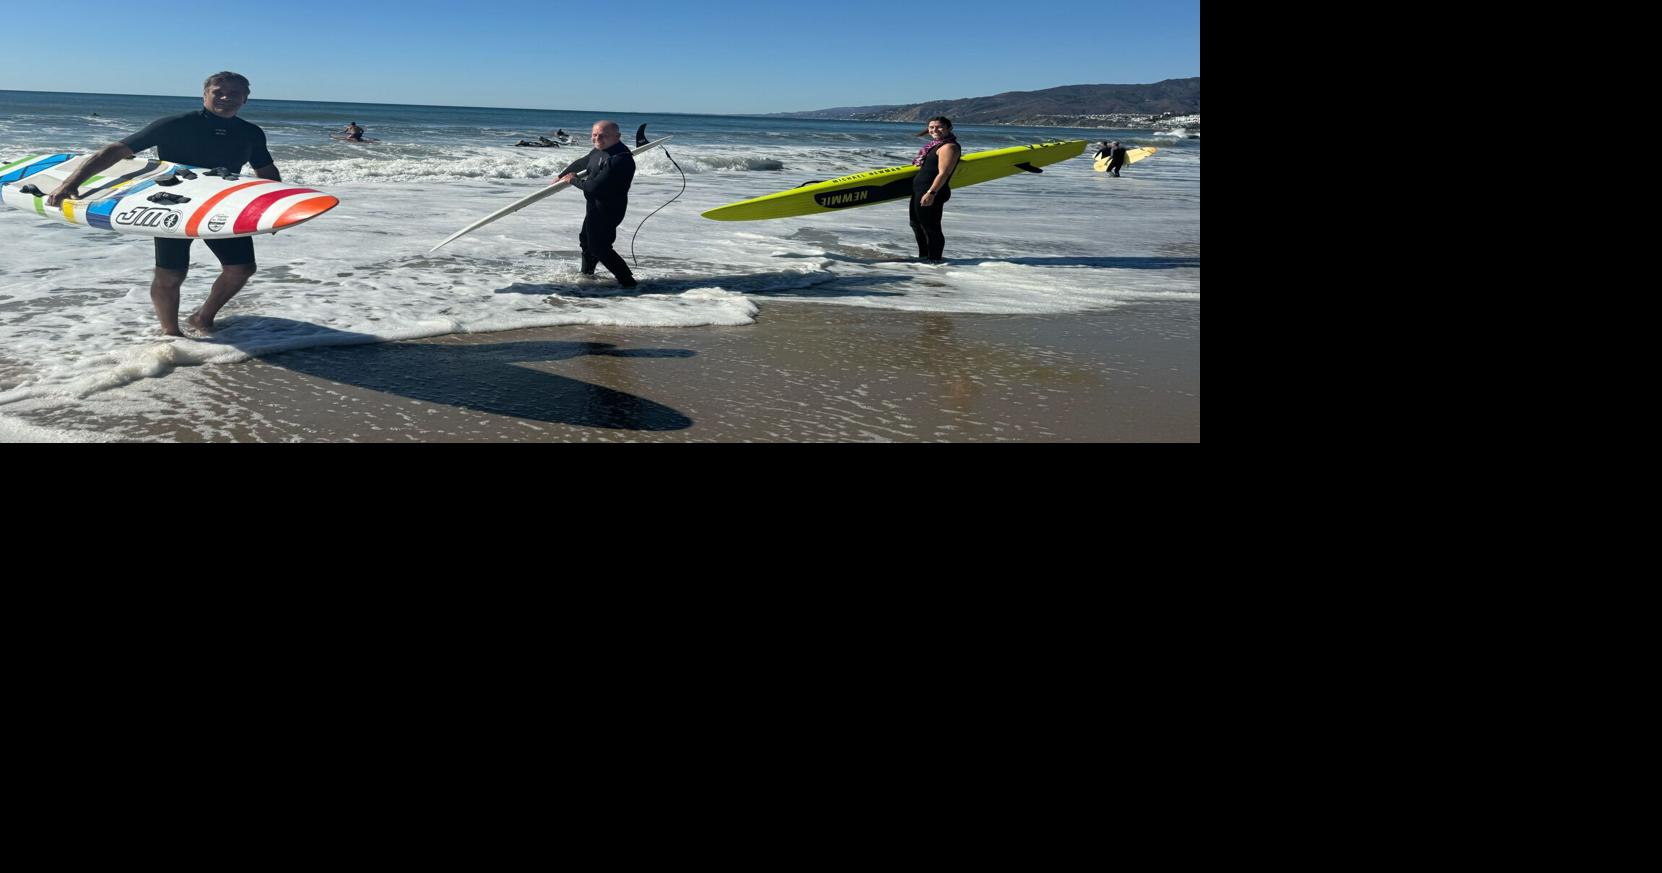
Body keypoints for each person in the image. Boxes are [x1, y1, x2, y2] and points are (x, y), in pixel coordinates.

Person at [45, 71, 280, 336]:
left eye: (235, 93)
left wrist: (275, 209)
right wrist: (70, 184)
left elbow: (266, 170)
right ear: (205, 94)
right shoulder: (175, 124)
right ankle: (171, 333)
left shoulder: (251, 133)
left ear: (245, 99)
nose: (226, 98)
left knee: (241, 269)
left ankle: (203, 318)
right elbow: (115, 151)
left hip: (220, 207)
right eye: (218, 92)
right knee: (171, 275)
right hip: (173, 205)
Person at [556, 120, 636, 288]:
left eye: (603, 135)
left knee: (600, 247)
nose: (597, 138)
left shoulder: (620, 159)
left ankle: (628, 282)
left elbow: (594, 187)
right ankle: (587, 276)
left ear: (617, 136)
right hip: (594, 206)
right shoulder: (600, 151)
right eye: (594, 134)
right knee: (586, 241)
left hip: (609, 209)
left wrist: (573, 180)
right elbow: (582, 162)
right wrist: (560, 176)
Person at [910, 116, 960, 262]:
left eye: (939, 127)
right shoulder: (934, 145)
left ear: (949, 128)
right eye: (931, 127)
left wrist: (931, 192)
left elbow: (943, 173)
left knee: (930, 228)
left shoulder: (949, 147)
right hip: (921, 190)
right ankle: (924, 258)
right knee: (916, 224)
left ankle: (935, 261)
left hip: (932, 191)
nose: (934, 130)